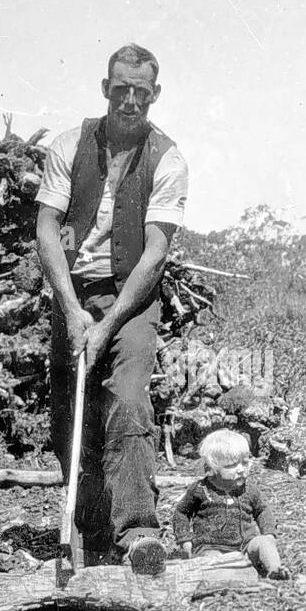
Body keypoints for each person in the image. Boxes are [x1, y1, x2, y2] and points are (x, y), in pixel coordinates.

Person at [35, 43, 188, 575]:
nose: (130, 101)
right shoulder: (68, 145)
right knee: (68, 413)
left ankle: (138, 532)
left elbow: (155, 253)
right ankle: (90, 531)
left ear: (155, 94)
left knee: (126, 400)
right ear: (105, 88)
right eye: (120, 89)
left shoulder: (167, 159)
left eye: (140, 92)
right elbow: (46, 230)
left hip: (132, 299)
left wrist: (109, 324)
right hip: (74, 291)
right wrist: (71, 308)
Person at [171, 430, 288, 580]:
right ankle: (229, 577)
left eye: (245, 463)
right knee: (211, 562)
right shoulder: (200, 490)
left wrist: (269, 533)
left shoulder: (249, 489)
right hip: (211, 546)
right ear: (212, 468)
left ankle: (275, 570)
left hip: (246, 545)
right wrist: (184, 540)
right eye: (232, 465)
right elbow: (181, 512)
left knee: (263, 543)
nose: (241, 469)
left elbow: (262, 510)